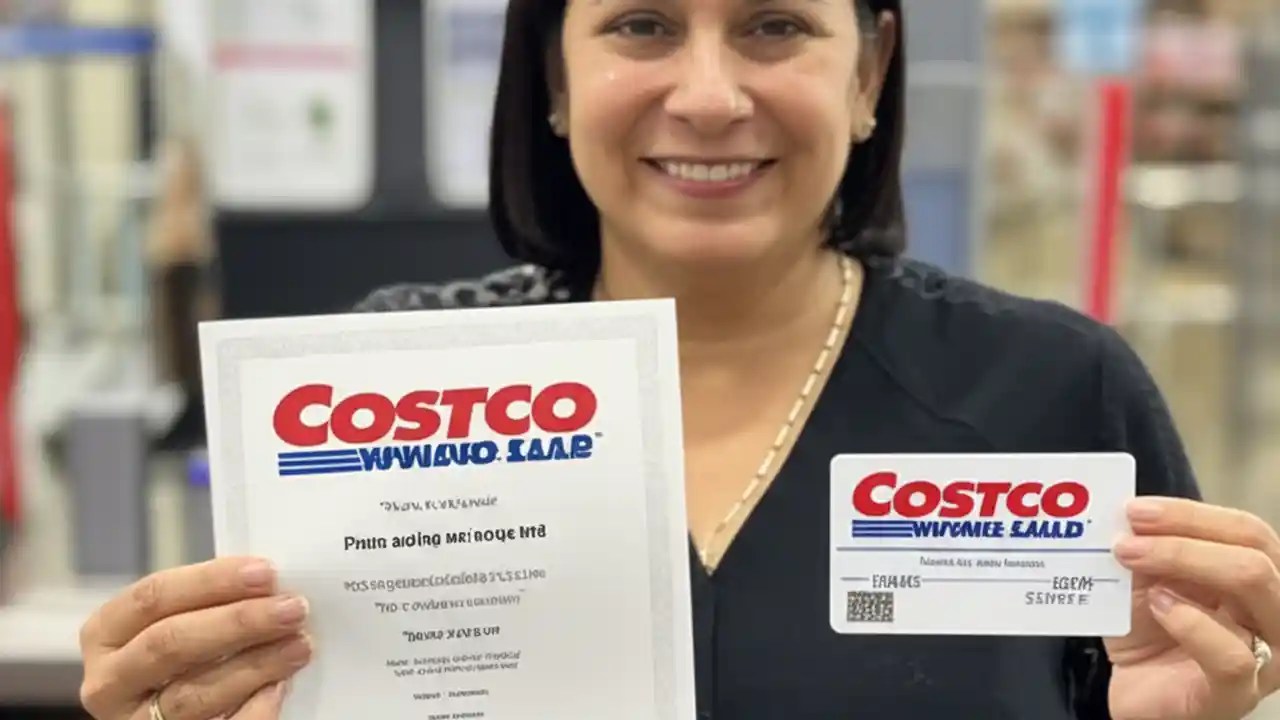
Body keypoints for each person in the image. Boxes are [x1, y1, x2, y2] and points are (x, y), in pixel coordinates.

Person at [78, 1, 1278, 718]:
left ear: (866, 74)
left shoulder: (1049, 390)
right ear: (552, 73)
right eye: (642, 24)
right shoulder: (373, 392)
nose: (708, 97)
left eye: (772, 26)